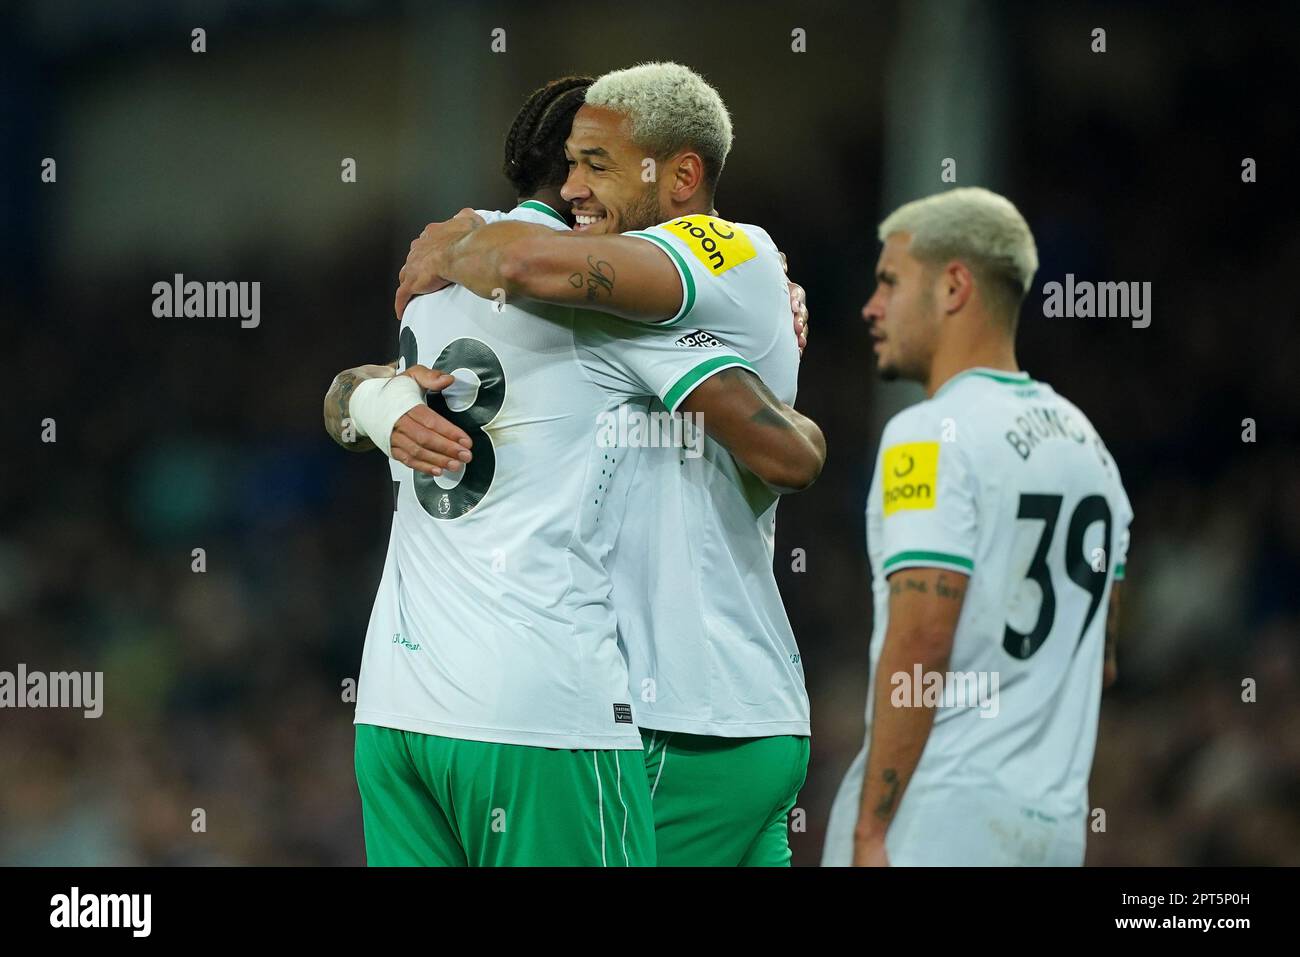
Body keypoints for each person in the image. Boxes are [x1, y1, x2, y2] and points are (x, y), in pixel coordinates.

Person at [324, 74, 824, 867]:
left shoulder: (543, 285)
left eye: (602, 164)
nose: (583, 188)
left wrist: (455, 242)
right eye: (579, 165)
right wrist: (370, 396)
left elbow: (789, 452)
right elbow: (790, 448)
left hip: (666, 710)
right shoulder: (600, 300)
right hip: (712, 702)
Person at [820, 187, 1133, 867]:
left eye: (890, 282)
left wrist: (873, 830)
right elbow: (1100, 661)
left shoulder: (928, 435)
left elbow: (922, 640)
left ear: (954, 285)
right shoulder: (1094, 452)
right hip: (1052, 827)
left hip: (935, 816)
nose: (871, 307)